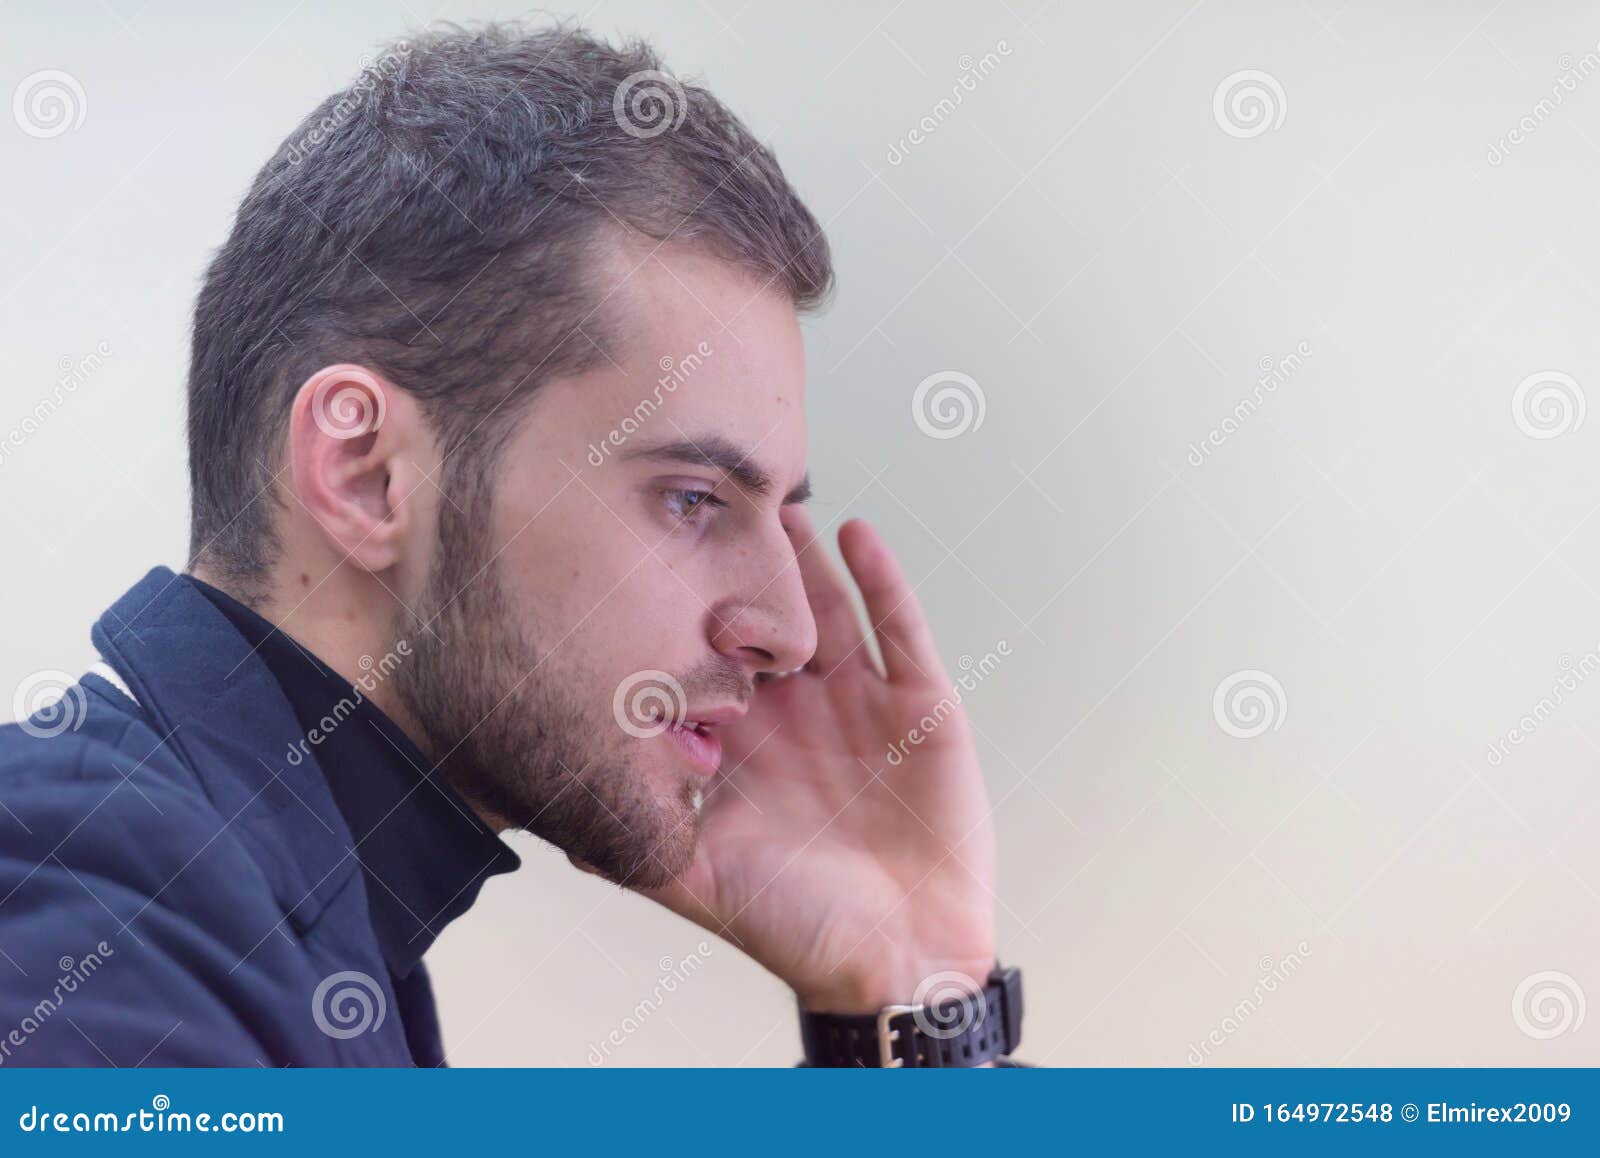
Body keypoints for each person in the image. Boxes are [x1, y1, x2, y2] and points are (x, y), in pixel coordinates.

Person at [0, 20, 1021, 1068]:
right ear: (367, 474)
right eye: (692, 499)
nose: (791, 632)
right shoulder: (100, 916)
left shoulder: (274, 924)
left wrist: (906, 986)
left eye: (778, 513)